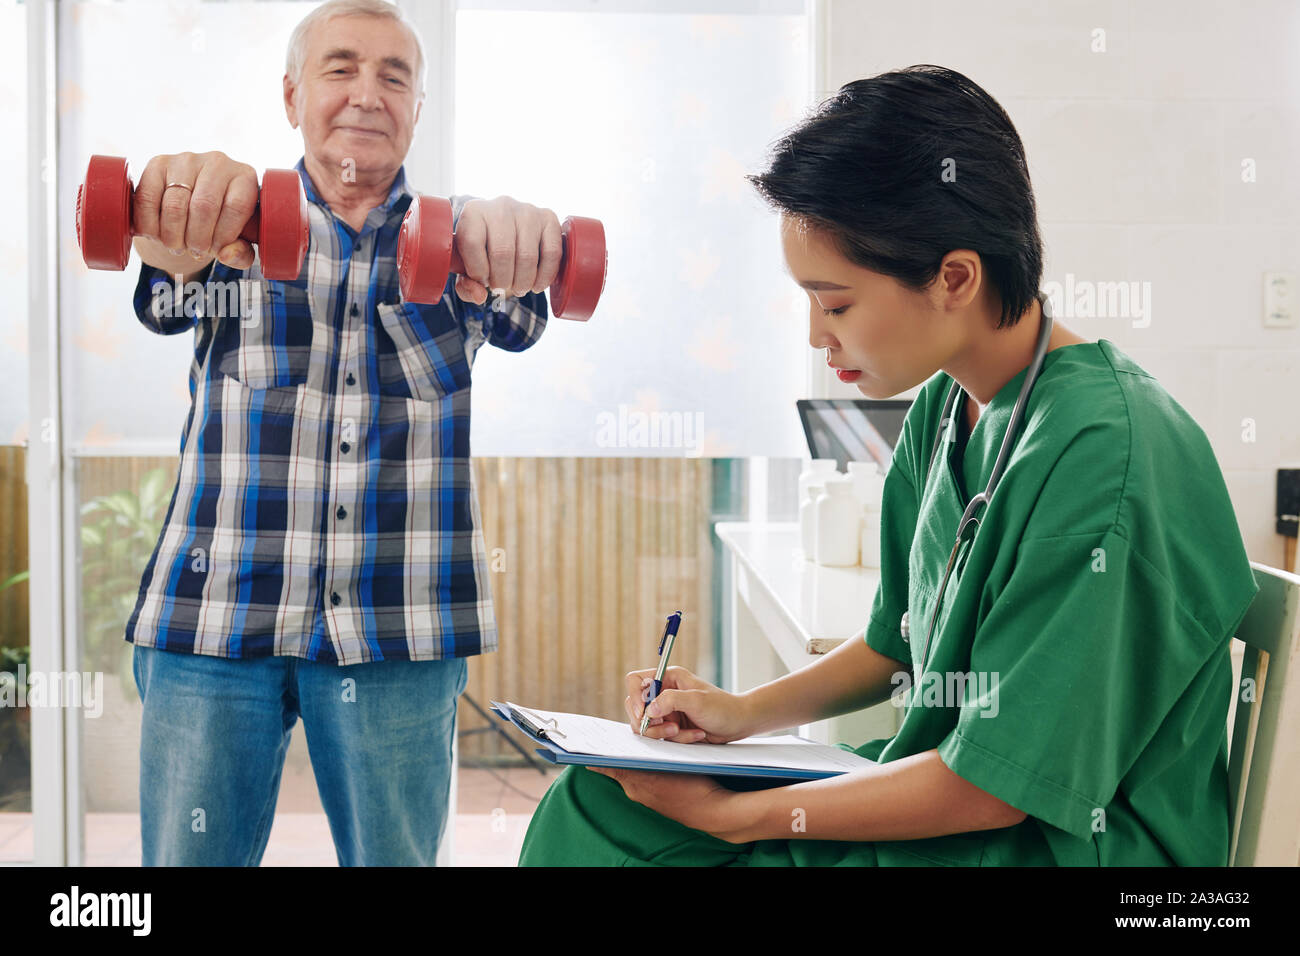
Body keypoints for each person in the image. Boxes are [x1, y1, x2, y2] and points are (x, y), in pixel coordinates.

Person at [518, 64, 1259, 866]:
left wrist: (739, 819)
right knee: (599, 799)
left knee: (646, 835)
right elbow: (895, 646)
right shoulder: (947, 410)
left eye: (836, 304)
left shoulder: (1105, 452)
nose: (816, 336)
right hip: (956, 796)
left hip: (1055, 843)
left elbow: (997, 786)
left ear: (955, 278)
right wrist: (738, 714)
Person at [125, 0, 564, 865]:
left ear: (417, 109)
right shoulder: (226, 227)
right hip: (213, 620)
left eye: (394, 75)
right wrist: (169, 237)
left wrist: (519, 235)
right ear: (292, 96)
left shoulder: (468, 248)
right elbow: (164, 299)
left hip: (395, 634)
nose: (369, 92)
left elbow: (521, 315)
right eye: (341, 68)